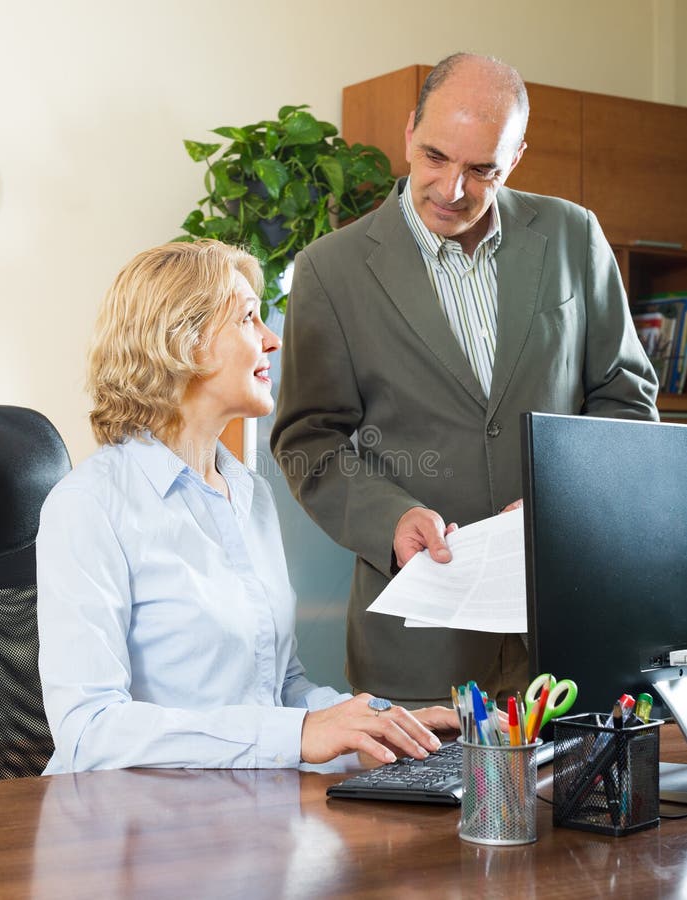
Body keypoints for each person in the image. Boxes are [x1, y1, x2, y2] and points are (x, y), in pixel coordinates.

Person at [270, 52, 659, 708]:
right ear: (407, 132)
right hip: (417, 648)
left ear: (517, 156)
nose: (451, 189)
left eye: (482, 169)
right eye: (434, 157)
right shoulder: (328, 271)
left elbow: (623, 396)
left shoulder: (573, 236)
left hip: (568, 629)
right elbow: (310, 440)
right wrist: (389, 519)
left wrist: (566, 498)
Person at [36, 239, 460, 774]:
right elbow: (89, 730)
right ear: (182, 342)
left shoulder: (250, 494)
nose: (272, 339)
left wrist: (386, 723)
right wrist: (297, 734)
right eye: (247, 319)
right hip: (135, 831)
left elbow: (278, 686)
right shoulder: (88, 505)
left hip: (248, 812)